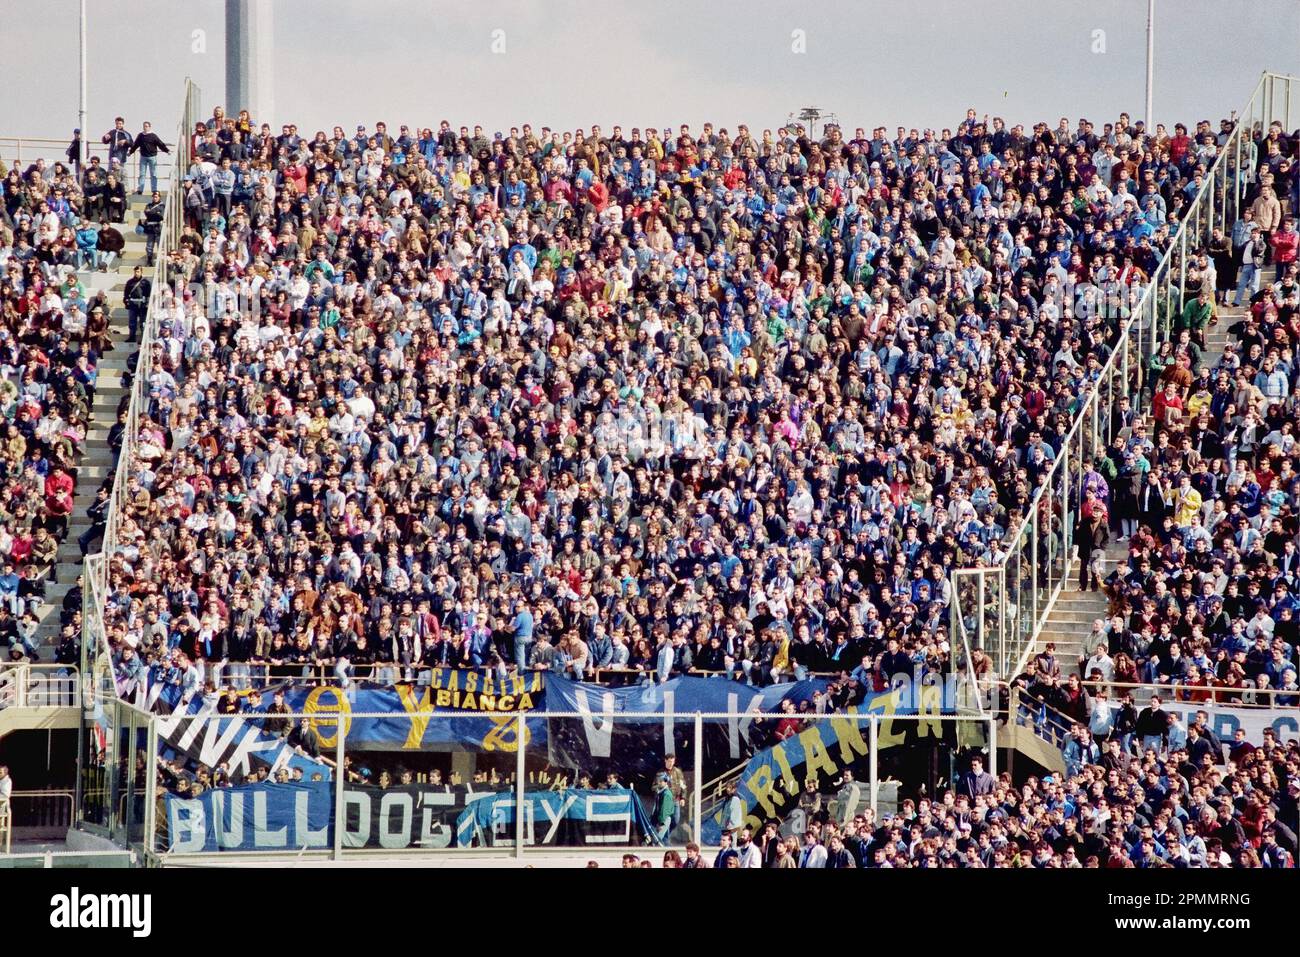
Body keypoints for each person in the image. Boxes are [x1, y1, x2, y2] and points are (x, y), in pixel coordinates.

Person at [129, 121, 170, 194]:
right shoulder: (140, 136)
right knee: (142, 174)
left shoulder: (153, 136)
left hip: (152, 157)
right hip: (143, 157)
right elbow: (135, 145)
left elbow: (160, 144)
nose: (145, 127)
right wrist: (130, 152)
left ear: (150, 127)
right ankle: (140, 190)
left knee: (153, 174)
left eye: (147, 126)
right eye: (144, 126)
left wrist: (167, 150)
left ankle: (154, 190)